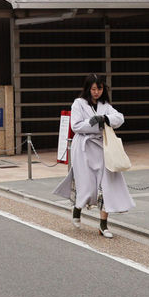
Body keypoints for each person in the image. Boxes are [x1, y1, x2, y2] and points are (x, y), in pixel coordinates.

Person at [53, 72, 134, 238]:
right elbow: (76, 126)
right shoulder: (79, 103)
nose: (96, 92)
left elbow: (120, 118)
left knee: (107, 186)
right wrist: (96, 124)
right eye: (94, 89)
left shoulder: (106, 105)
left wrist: (103, 118)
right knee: (87, 186)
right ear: (88, 89)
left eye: (99, 88)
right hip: (83, 149)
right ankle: (77, 207)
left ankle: (103, 225)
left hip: (101, 148)